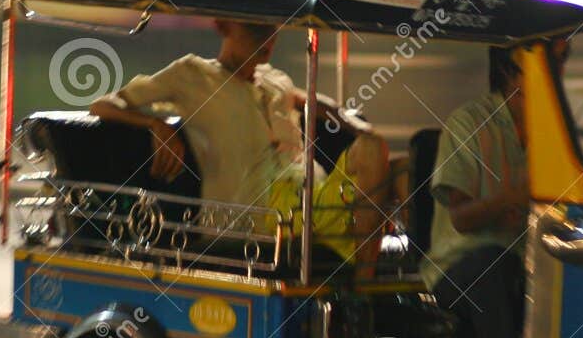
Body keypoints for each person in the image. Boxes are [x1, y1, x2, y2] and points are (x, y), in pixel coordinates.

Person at [89, 20, 389, 267]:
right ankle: (361, 287)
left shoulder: (274, 80)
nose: (266, 40)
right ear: (224, 26)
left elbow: (311, 101)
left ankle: (404, 281)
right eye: (255, 31)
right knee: (373, 163)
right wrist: (155, 125)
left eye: (271, 31)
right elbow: (104, 105)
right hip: (260, 213)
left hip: (311, 193)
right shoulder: (192, 75)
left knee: (389, 158)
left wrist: (355, 123)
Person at [425, 41, 565, 338]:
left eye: (561, 59)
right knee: (493, 266)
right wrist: (508, 200)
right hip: (459, 268)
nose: (557, 70)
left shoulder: (559, 132)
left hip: (530, 262)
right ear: (509, 71)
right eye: (547, 60)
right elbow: (460, 217)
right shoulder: (470, 123)